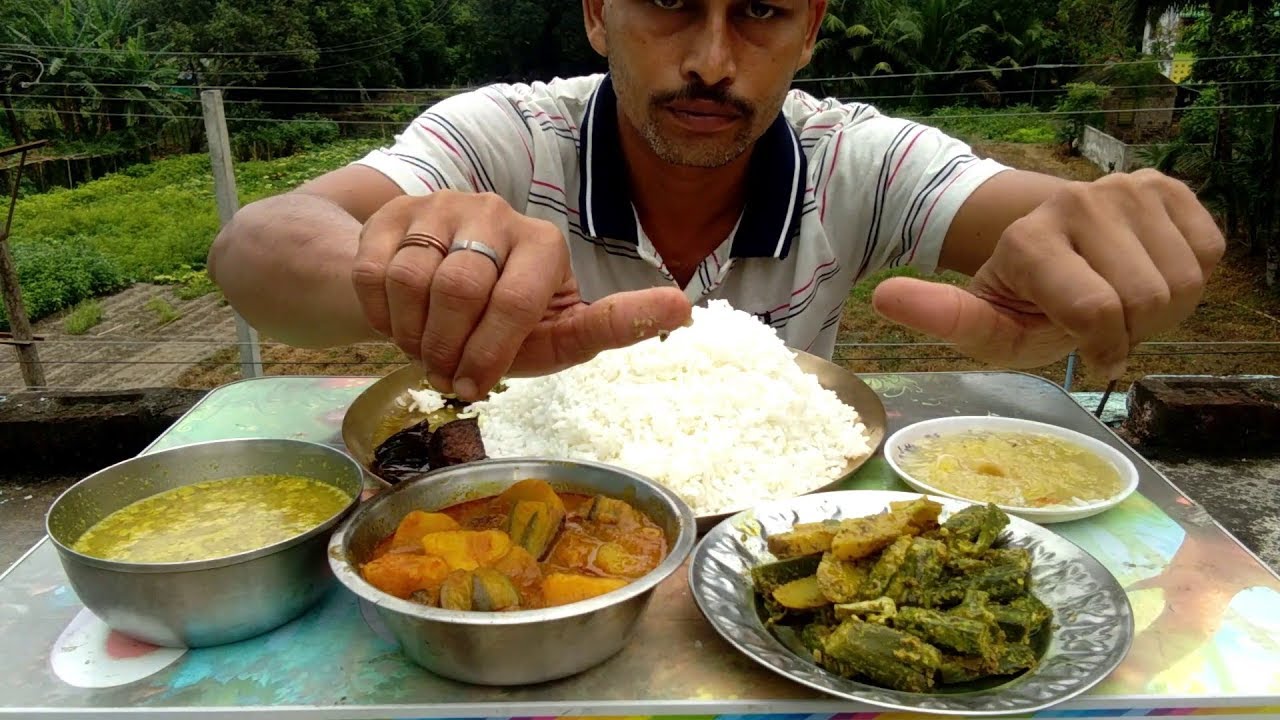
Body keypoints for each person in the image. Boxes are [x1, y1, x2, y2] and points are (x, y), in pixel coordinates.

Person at [209, 0, 1224, 404]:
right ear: (600, 15)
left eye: (759, 13)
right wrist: (399, 261)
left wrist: (1110, 242)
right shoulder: (503, 136)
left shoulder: (857, 157)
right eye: (667, 4)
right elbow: (256, 251)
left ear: (809, 30)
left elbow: (1041, 222)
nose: (709, 60)